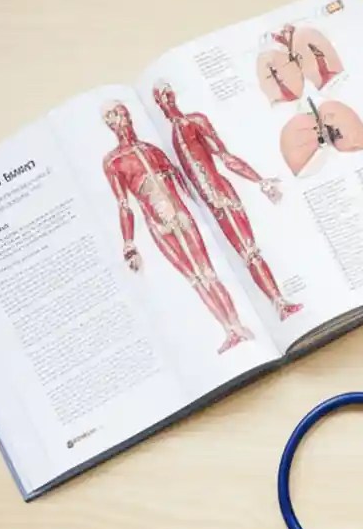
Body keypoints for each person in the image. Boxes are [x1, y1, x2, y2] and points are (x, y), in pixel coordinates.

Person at [100, 101, 252, 353]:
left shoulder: (154, 150)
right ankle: (228, 330)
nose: (120, 120)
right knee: (195, 278)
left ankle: (237, 326)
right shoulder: (113, 161)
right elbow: (123, 203)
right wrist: (129, 243)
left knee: (208, 273)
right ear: (108, 123)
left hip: (182, 215)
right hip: (158, 225)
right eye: (113, 116)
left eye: (122, 113)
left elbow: (184, 184)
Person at [153, 82, 303, 321]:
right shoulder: (172, 136)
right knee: (242, 256)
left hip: (221, 195)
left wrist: (260, 180)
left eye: (168, 93)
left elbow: (225, 157)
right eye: (161, 97)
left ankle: (280, 303)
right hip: (209, 205)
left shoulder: (195, 121)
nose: (166, 99)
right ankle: (276, 304)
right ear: (158, 105)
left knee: (249, 252)